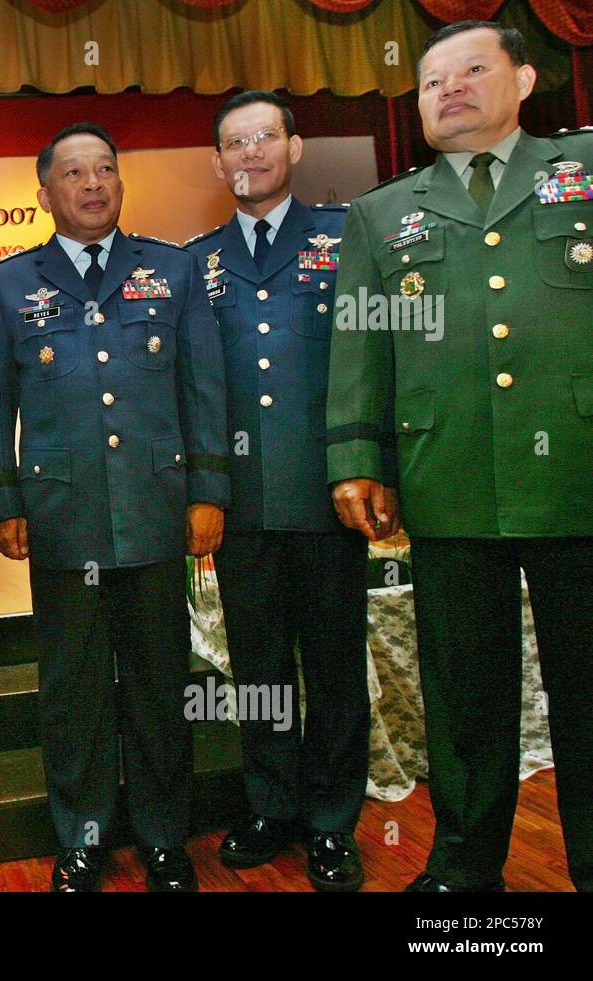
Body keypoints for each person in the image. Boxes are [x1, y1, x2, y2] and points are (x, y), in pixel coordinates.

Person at [327, 20, 593, 893]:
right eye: (431, 81)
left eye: (471, 70)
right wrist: (358, 458)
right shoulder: (381, 214)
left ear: (523, 78)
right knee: (465, 694)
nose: (448, 90)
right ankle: (465, 866)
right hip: (450, 478)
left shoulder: (584, 173)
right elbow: (362, 345)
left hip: (579, 474)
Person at [0, 123, 230, 892]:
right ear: (45, 191)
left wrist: (209, 489)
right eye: (74, 174)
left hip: (155, 513)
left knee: (157, 687)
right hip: (61, 519)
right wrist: (4, 500)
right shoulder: (9, 283)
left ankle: (161, 837)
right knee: (74, 690)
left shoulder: (173, 271)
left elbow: (203, 390)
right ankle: (81, 837)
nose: (93, 184)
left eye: (106, 170)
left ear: (120, 182)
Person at [186, 91, 388, 892]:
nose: (251, 153)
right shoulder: (194, 261)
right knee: (260, 665)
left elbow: (374, 361)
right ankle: (272, 804)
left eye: (265, 136)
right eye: (235, 142)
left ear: (295, 148)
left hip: (326, 496)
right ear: (217, 161)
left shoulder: (346, 240)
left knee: (335, 663)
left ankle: (335, 820)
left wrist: (373, 466)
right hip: (242, 504)